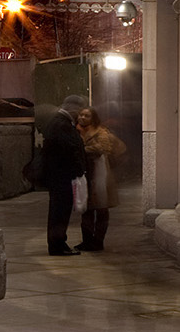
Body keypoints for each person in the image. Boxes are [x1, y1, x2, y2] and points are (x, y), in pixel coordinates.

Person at [36, 94, 89, 256]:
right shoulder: (61, 124)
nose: (79, 116)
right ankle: (57, 245)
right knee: (60, 211)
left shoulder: (59, 122)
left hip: (59, 175)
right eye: (79, 112)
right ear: (72, 109)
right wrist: (79, 168)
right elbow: (68, 149)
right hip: (61, 176)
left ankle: (59, 243)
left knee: (59, 210)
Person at [75, 105, 126, 252]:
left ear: (93, 118)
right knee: (87, 209)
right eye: (81, 115)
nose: (83, 118)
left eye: (87, 115)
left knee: (101, 208)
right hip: (85, 173)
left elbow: (102, 148)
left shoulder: (101, 132)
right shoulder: (76, 131)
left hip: (99, 173)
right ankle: (86, 240)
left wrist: (81, 149)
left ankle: (98, 241)